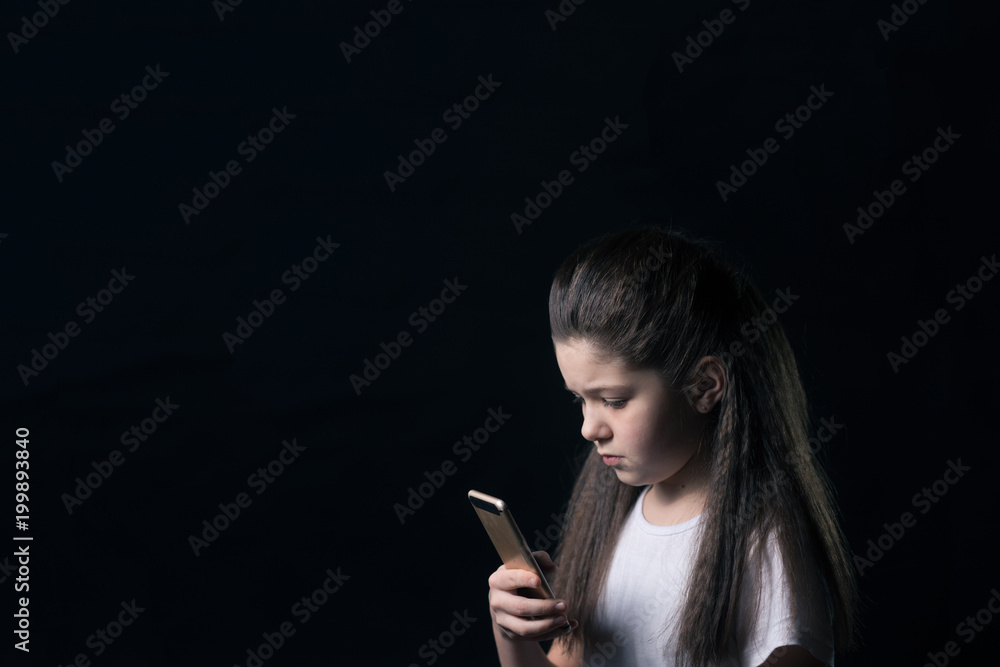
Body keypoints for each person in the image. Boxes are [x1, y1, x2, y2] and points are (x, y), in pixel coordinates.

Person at [487, 226, 857, 667]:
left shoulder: (761, 536)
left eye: (614, 401)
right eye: (579, 400)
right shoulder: (609, 517)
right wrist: (513, 634)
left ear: (704, 386)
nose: (589, 428)